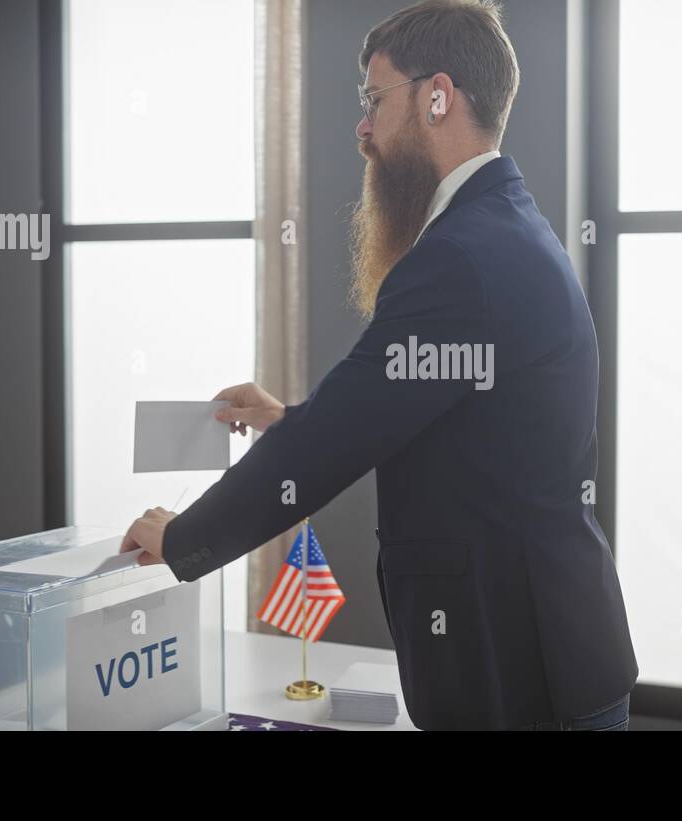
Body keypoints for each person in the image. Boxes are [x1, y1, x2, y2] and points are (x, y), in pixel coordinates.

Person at [120, 0, 637, 731]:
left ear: (437, 96)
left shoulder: (461, 256)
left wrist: (182, 539)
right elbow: (406, 408)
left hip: (520, 673)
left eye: (373, 100)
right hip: (553, 655)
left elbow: (335, 442)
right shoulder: (507, 227)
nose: (362, 127)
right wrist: (290, 419)